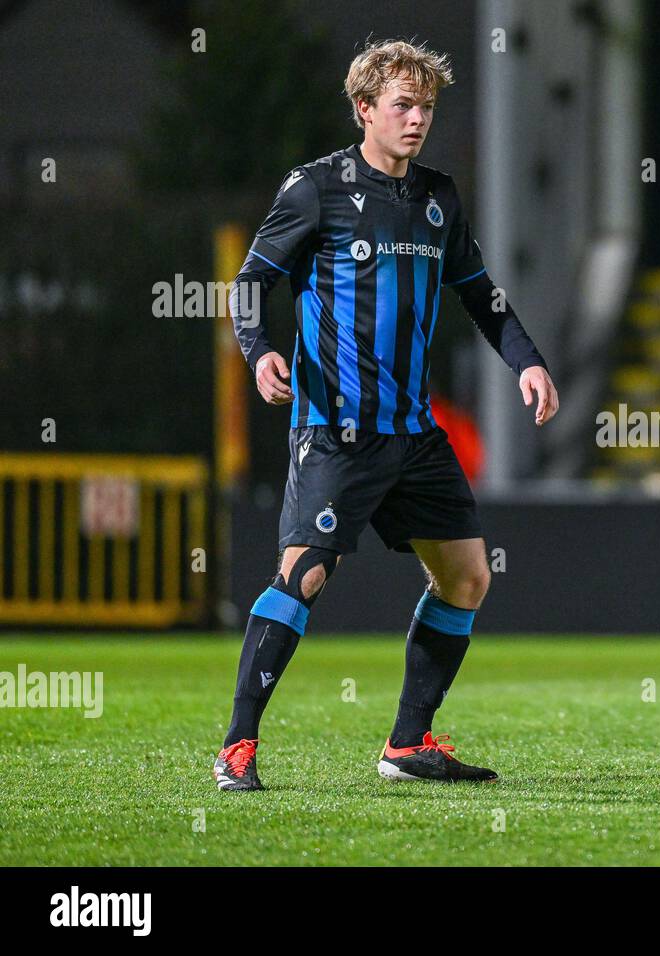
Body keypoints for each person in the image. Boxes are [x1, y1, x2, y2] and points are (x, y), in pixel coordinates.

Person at [214, 39, 558, 791]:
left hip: (414, 432)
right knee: (303, 576)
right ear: (364, 108)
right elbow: (249, 285)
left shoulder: (438, 196)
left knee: (467, 578)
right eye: (403, 104)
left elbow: (480, 293)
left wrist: (527, 359)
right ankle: (238, 746)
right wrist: (259, 351)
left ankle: (408, 745)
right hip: (337, 429)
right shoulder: (316, 189)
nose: (418, 118)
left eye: (427, 105)